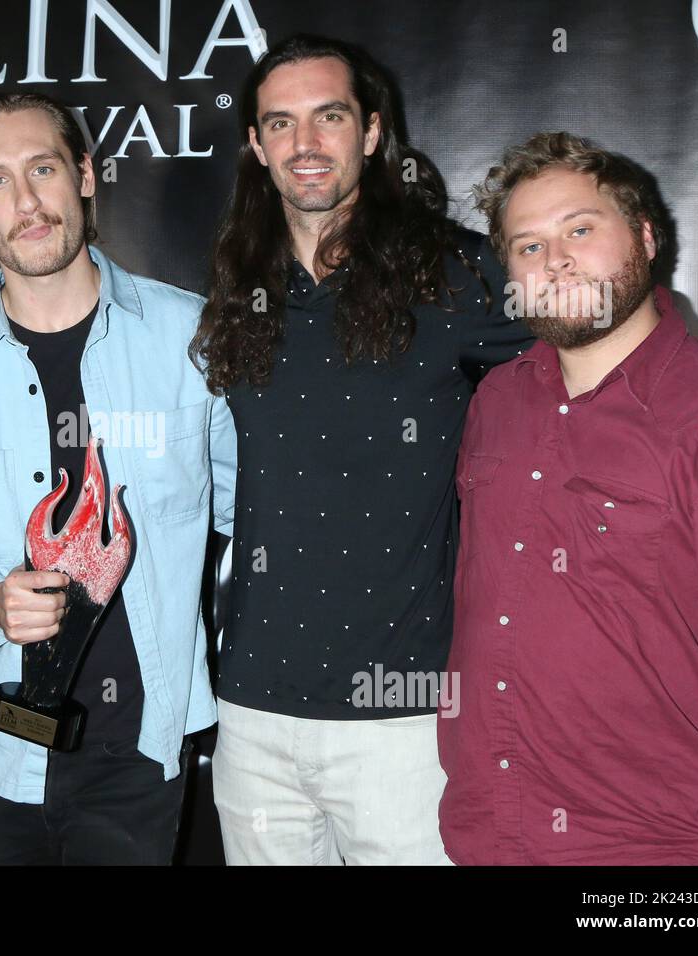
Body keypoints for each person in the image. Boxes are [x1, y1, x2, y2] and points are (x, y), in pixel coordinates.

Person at [192, 35, 533, 865]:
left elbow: (582, 386)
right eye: (281, 123)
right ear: (256, 147)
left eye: (329, 117)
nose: (305, 144)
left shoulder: (457, 275)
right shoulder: (242, 280)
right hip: (252, 715)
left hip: (404, 720)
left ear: (373, 133)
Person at [0, 91, 237, 865]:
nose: (26, 201)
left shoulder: (192, 338)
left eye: (43, 168)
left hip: (139, 753)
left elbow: (248, 510)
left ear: (84, 174)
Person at [439, 131, 698, 865]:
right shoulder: (497, 400)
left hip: (653, 856)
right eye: (527, 246)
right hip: (488, 835)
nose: (554, 260)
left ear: (646, 236)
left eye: (580, 230)